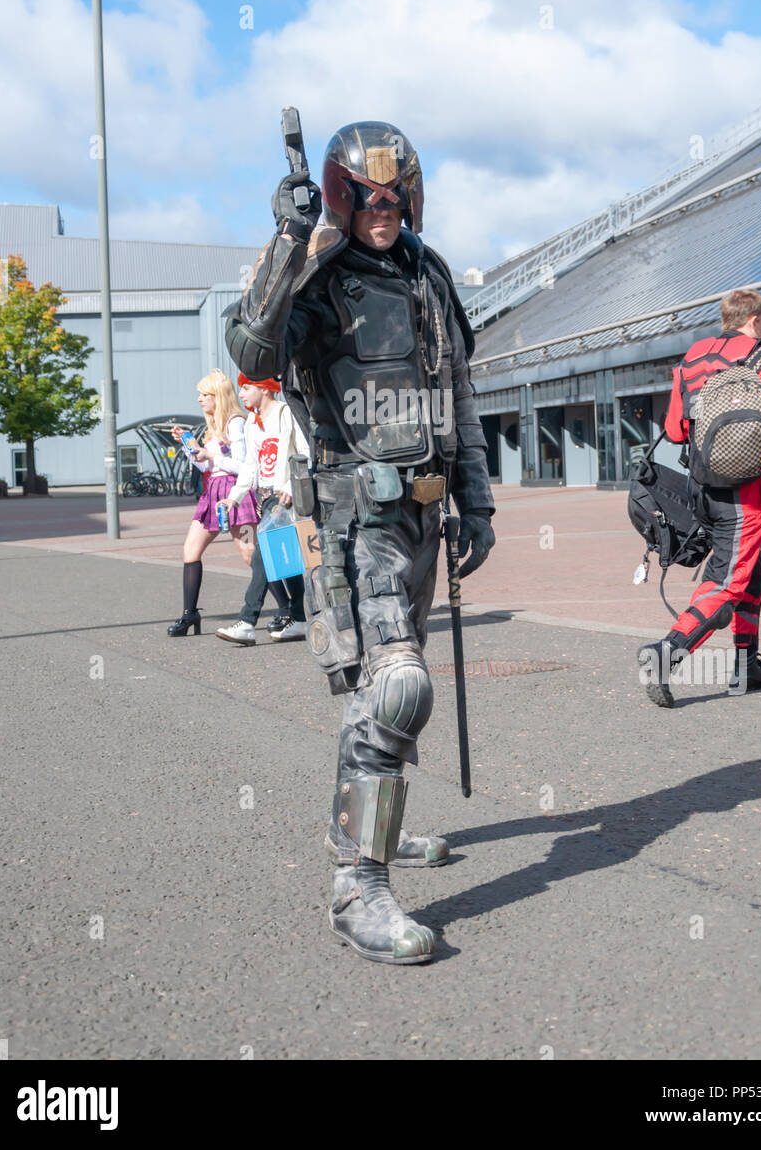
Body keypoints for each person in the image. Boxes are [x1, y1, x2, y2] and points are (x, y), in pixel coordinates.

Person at [225, 119, 495, 965]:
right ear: (339, 195)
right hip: (355, 520)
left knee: (384, 694)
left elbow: (457, 389)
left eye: (394, 194)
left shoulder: (427, 270)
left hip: (423, 512)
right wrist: (286, 238)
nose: (381, 210)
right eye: (363, 197)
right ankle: (357, 888)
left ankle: (372, 817)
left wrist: (475, 502)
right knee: (397, 687)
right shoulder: (315, 273)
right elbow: (247, 347)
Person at [639, 289, 761, 705]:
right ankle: (666, 653)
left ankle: (746, 667)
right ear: (752, 320)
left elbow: (675, 430)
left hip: (700, 489)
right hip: (742, 493)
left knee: (753, 578)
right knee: (727, 582)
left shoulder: (692, 356)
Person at [215, 375, 308, 645]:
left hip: (285, 498)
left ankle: (246, 621)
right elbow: (250, 466)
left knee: (263, 556)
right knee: (285, 562)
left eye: (247, 387)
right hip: (264, 499)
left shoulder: (286, 414)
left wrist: (292, 484)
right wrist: (234, 497)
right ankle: (300, 620)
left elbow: (306, 451)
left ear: (265, 389)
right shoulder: (252, 424)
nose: (241, 393)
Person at [166, 369, 258, 636]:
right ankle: (189, 614)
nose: (200, 399)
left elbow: (242, 466)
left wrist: (210, 455)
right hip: (213, 492)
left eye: (205, 394)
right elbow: (204, 463)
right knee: (190, 550)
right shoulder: (214, 426)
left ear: (219, 396)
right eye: (200, 394)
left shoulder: (235, 423)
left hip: (234, 492)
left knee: (251, 554)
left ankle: (289, 608)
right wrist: (190, 446)